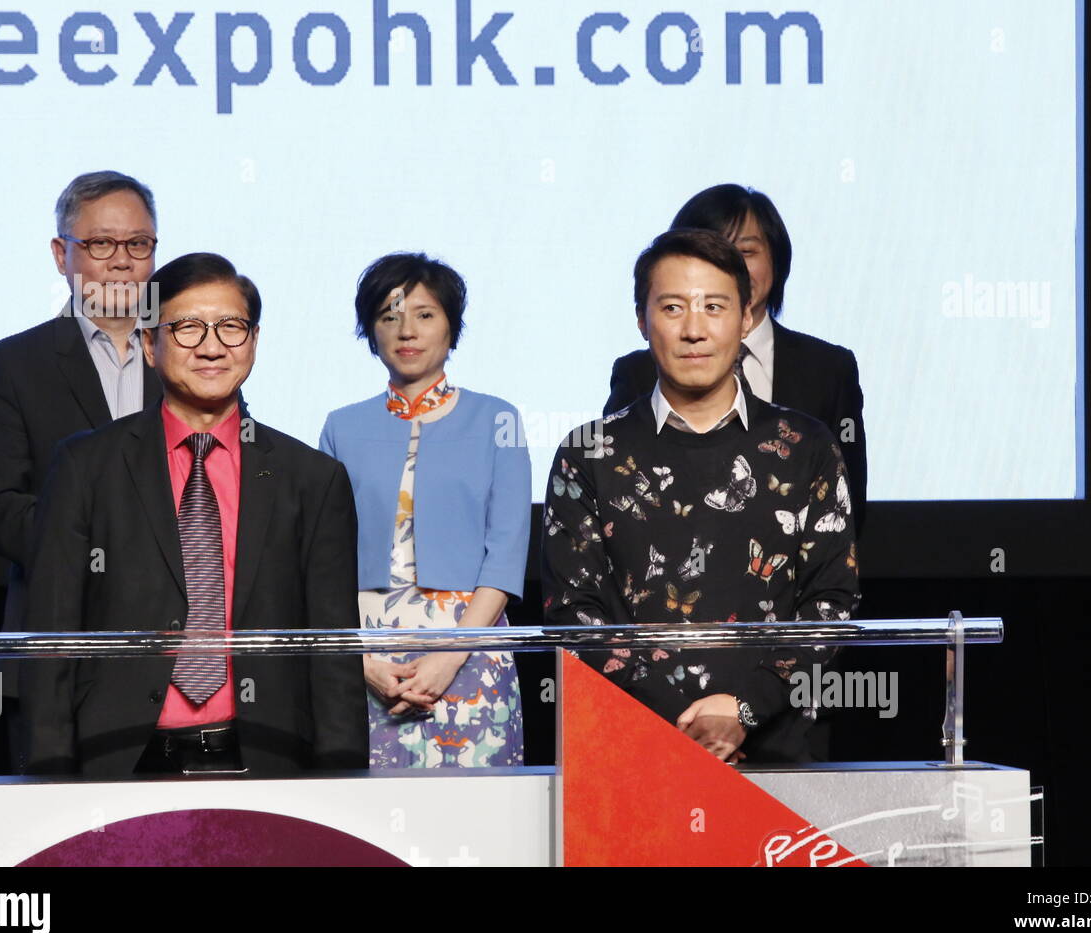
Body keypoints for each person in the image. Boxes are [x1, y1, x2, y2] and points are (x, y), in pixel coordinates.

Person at [18, 253, 366, 777]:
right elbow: (53, 637)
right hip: (119, 758)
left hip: (269, 759)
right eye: (186, 328)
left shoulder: (312, 478)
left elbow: (333, 654)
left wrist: (343, 781)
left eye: (231, 327)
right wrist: (49, 777)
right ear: (149, 345)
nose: (211, 346)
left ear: (253, 341)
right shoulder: (86, 465)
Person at [543, 229, 860, 764]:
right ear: (642, 320)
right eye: (672, 307)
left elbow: (830, 601)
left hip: (775, 746)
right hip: (632, 750)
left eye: (714, 307)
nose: (694, 329)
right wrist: (689, 726)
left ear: (745, 318)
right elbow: (575, 614)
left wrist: (741, 709)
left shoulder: (807, 448)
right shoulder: (587, 453)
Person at [0, 171, 165, 771]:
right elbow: (3, 505)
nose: (122, 262)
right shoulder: (12, 365)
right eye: (101, 244)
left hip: (184, 661)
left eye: (139, 245)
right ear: (62, 254)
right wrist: (113, 558)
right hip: (61, 656)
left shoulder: (193, 355)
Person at [320, 253, 531, 769]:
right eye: (389, 315)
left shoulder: (497, 418)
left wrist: (449, 657)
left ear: (452, 327)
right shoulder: (340, 427)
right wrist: (362, 662)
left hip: (470, 645)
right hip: (368, 652)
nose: (406, 330)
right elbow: (320, 562)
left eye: (424, 314)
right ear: (370, 331)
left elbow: (505, 554)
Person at [604, 184, 867, 535]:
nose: (730, 266)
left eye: (747, 251)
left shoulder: (829, 369)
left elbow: (847, 505)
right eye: (712, 251)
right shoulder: (638, 370)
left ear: (777, 259)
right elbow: (614, 489)